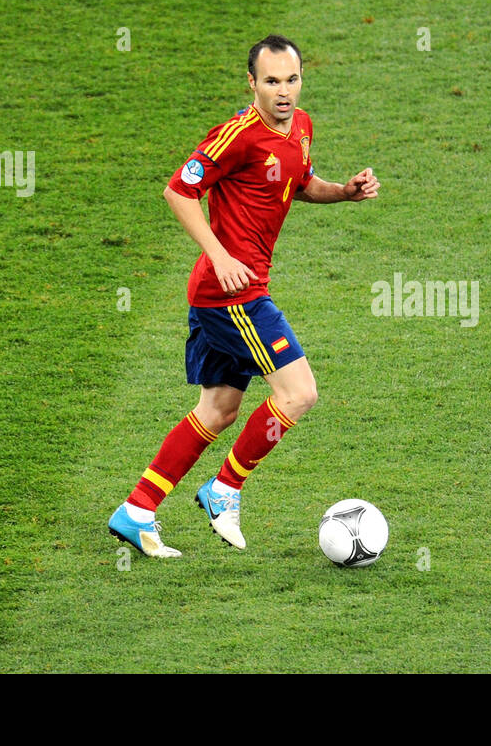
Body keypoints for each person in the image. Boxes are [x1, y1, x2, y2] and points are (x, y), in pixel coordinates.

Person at [108, 34, 379, 557]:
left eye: (292, 80)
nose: (283, 91)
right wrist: (220, 254)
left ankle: (136, 510)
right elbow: (178, 191)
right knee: (299, 393)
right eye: (272, 81)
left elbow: (298, 183)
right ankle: (224, 489)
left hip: (233, 290)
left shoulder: (300, 126)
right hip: (232, 292)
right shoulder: (235, 136)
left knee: (217, 410)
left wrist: (343, 192)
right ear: (251, 82)